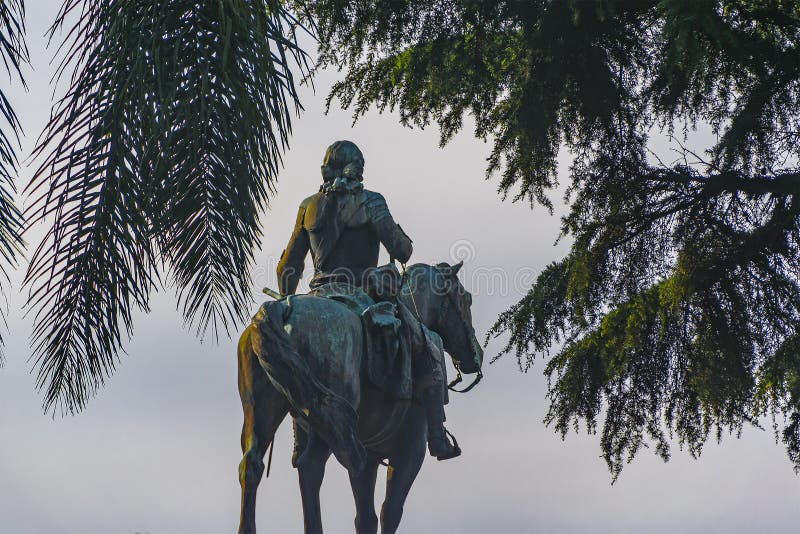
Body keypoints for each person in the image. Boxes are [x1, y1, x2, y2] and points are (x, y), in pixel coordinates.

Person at [276, 140, 460, 460]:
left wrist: (287, 301)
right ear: (356, 169)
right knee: (428, 342)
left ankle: (300, 433)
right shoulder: (371, 202)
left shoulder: (308, 207)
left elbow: (287, 266)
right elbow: (401, 250)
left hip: (318, 293)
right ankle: (436, 435)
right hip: (363, 296)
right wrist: (398, 237)